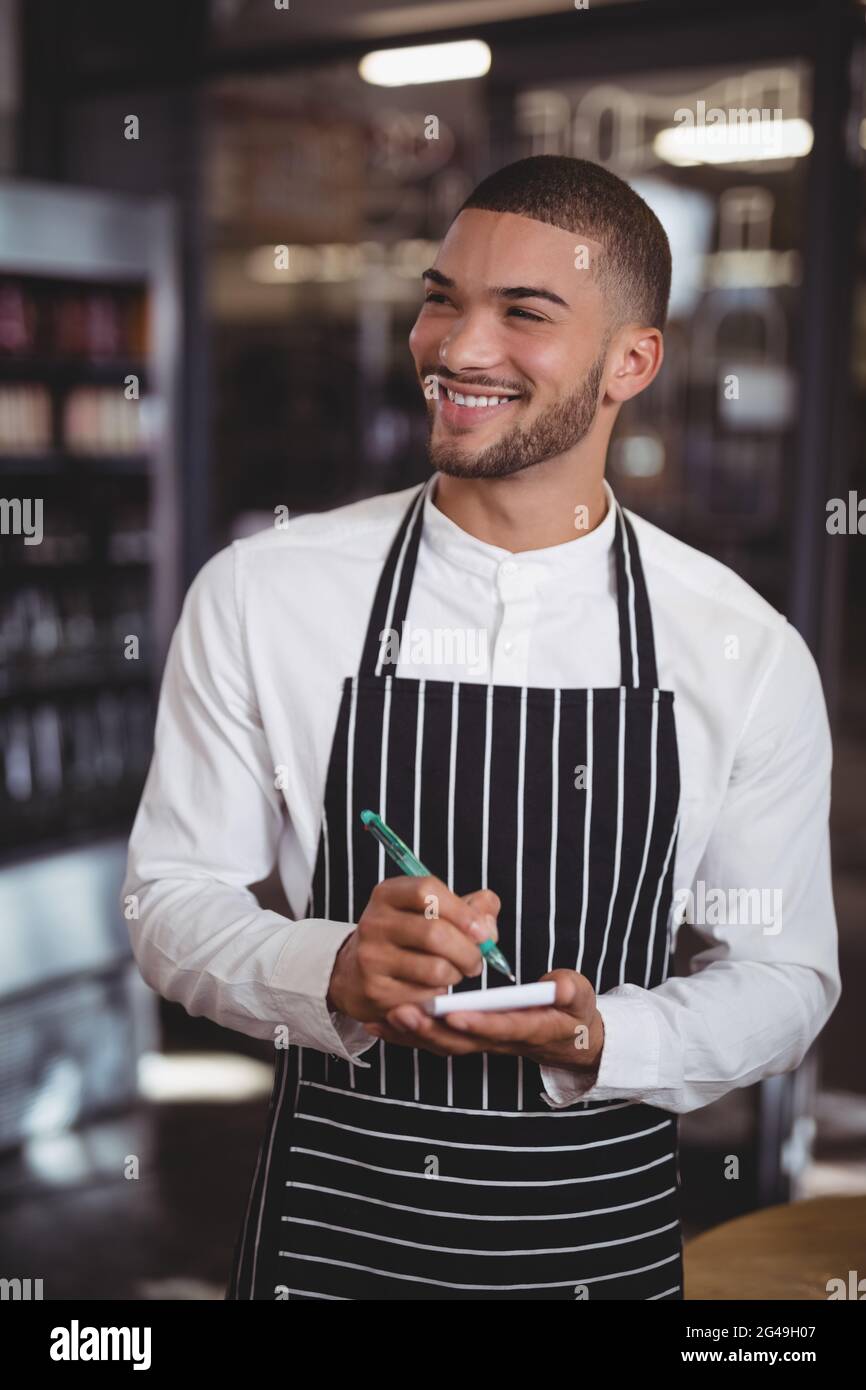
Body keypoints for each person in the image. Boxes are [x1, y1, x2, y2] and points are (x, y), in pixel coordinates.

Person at [123, 155, 840, 1301]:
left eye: (523, 312)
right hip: (330, 1246)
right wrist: (333, 967)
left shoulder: (739, 649)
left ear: (631, 362)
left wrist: (602, 1035)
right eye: (441, 297)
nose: (455, 348)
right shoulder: (262, 592)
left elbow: (784, 978)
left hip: (594, 1255)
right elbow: (167, 902)